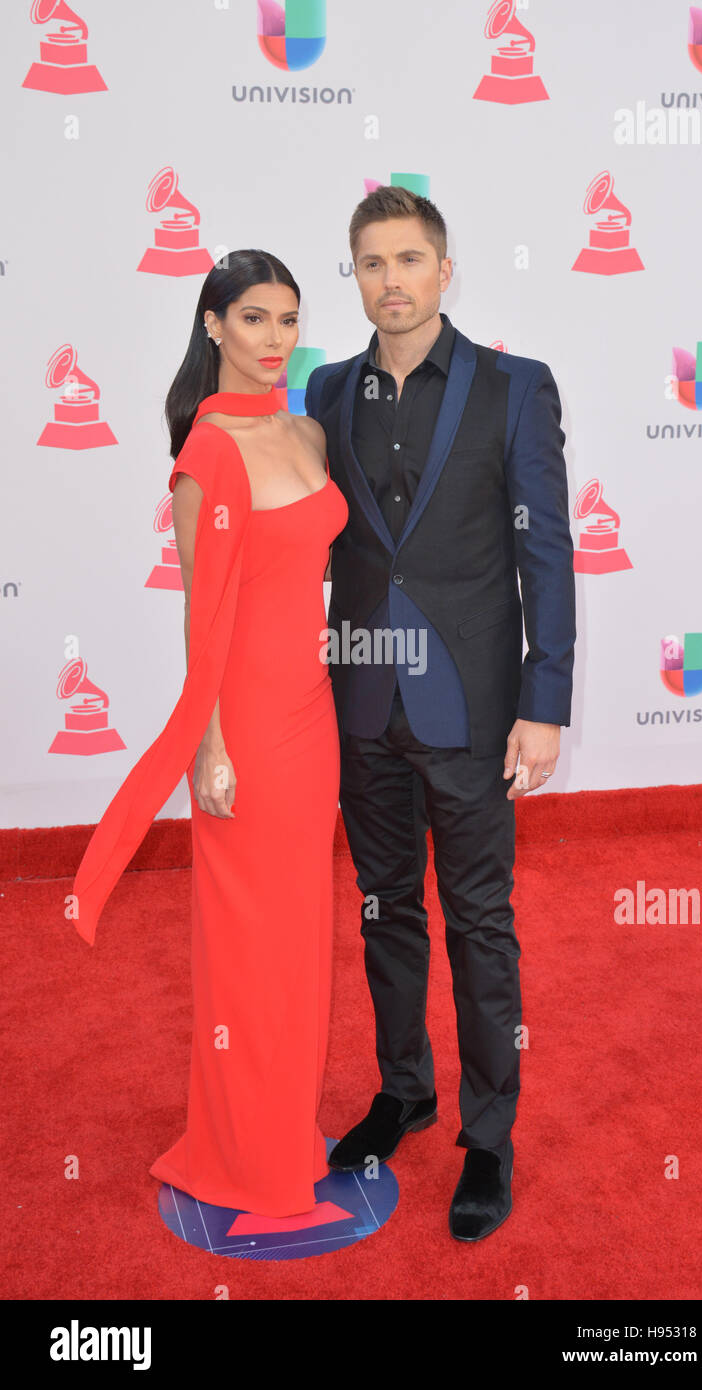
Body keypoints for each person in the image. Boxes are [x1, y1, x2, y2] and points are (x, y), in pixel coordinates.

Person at [305, 186, 576, 1242]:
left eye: (410, 260)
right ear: (357, 275)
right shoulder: (327, 391)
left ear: (445, 269)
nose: (392, 281)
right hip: (362, 696)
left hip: (472, 704)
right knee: (383, 906)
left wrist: (544, 702)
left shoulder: (513, 386)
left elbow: (545, 552)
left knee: (478, 922)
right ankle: (404, 1089)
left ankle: (488, 1133)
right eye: (372, 263)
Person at [71, 249, 348, 1217]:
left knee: (303, 938)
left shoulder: (305, 429)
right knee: (249, 945)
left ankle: (282, 1127)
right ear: (213, 326)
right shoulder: (207, 455)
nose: (275, 340)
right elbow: (203, 613)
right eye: (255, 320)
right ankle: (243, 1154)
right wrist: (210, 746)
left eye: (288, 321)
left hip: (313, 721)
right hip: (248, 735)